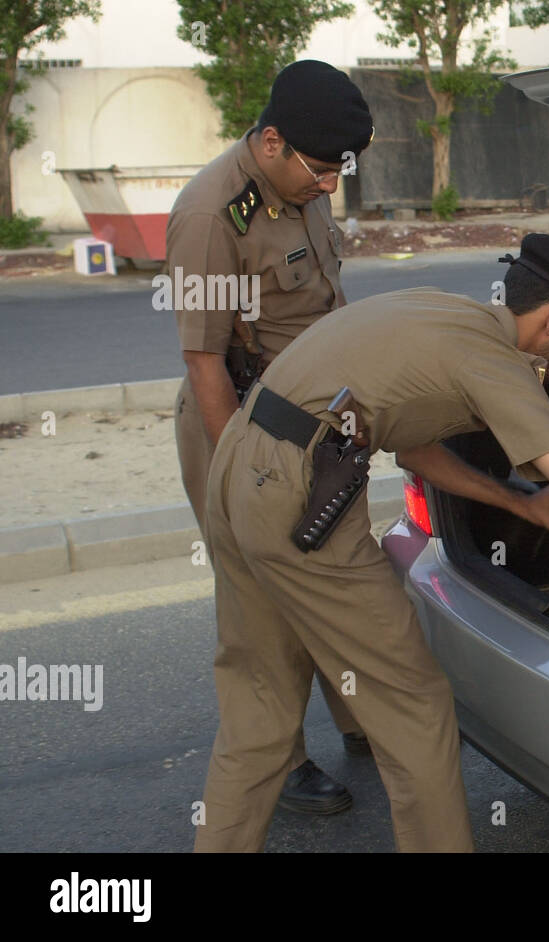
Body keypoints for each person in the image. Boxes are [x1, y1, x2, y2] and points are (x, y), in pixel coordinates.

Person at [193, 233, 549, 852]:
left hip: (238, 466)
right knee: (415, 709)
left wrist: (516, 501)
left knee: (257, 709)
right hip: (297, 492)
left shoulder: (442, 311)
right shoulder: (494, 362)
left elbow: (412, 441)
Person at [167, 60, 374, 816]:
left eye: (338, 173)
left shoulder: (304, 184)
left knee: (338, 569)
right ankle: (278, 759)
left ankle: (360, 719)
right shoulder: (209, 214)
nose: (330, 187)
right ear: (272, 143)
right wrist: (241, 480)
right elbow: (203, 360)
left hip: (318, 422)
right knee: (260, 596)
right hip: (241, 421)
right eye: (320, 171)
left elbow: (326, 303)